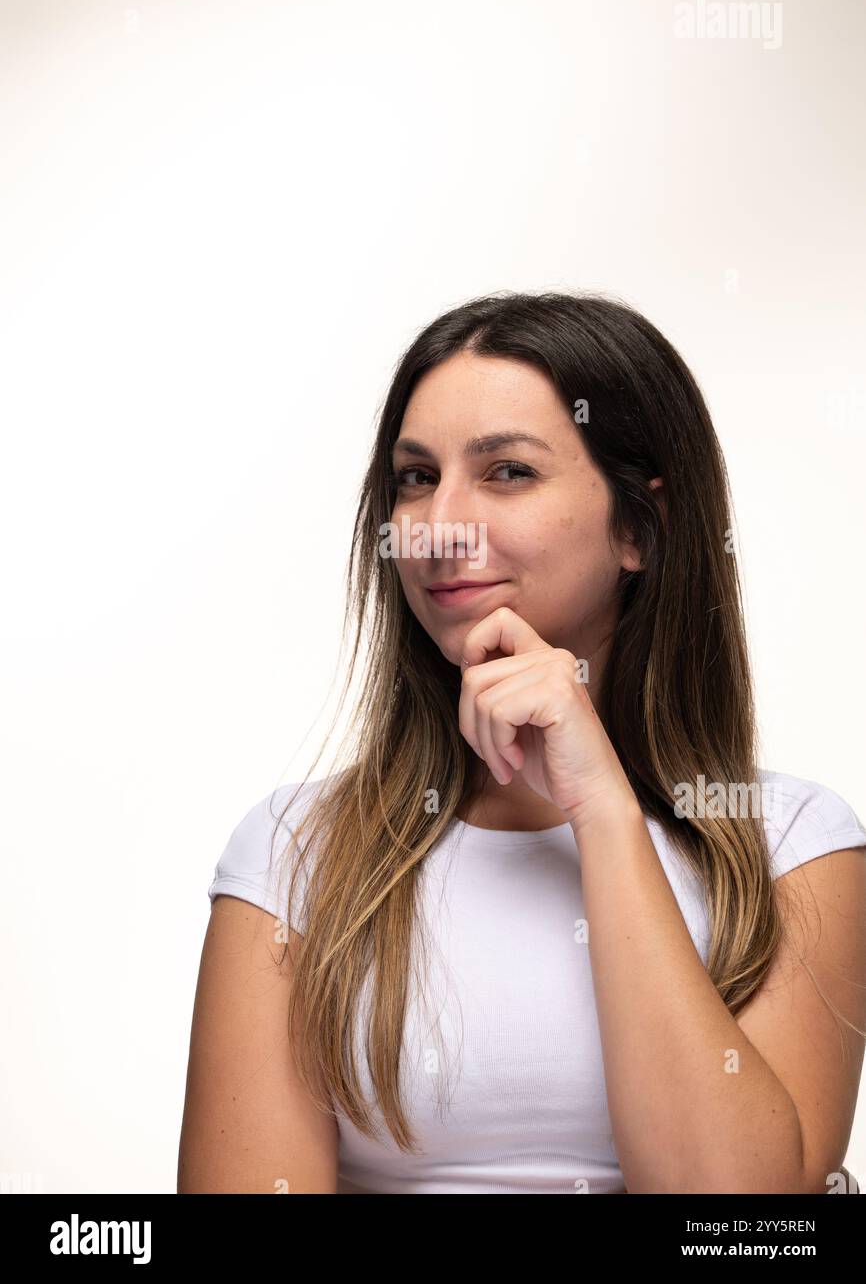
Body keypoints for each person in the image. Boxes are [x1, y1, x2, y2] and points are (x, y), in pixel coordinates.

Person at [178, 291, 866, 1194]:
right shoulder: (292, 853)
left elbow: (737, 1226)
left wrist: (604, 812)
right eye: (416, 478)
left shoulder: (795, 846)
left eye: (506, 472)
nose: (440, 523)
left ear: (638, 527)